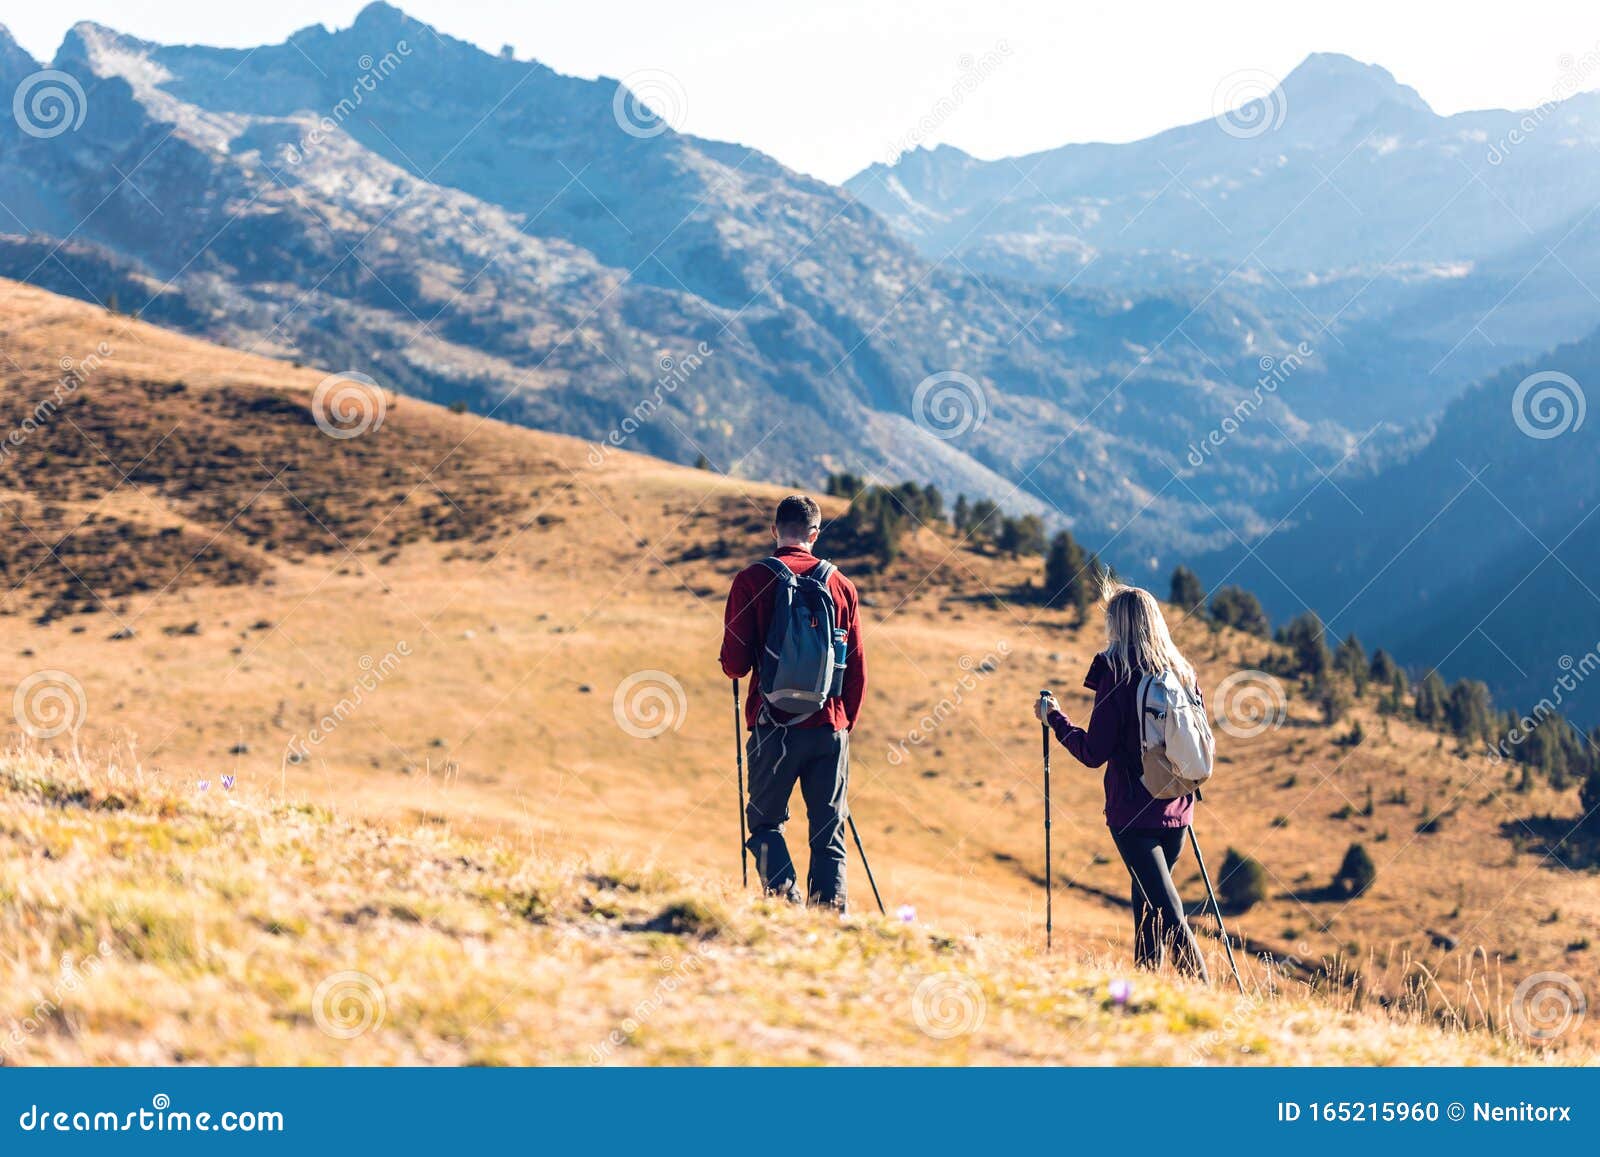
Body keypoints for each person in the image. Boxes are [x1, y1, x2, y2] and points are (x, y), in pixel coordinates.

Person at [1034, 585, 1210, 980]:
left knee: (1167, 911)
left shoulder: (1116, 672)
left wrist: (1055, 719)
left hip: (1133, 812)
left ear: (1117, 624)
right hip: (1178, 809)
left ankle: (1203, 993)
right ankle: (1147, 983)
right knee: (1148, 902)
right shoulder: (1181, 671)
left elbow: (1093, 753)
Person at [720, 495, 867, 910]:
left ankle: (786, 907)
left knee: (765, 823)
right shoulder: (841, 586)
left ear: (774, 531)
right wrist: (841, 725)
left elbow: (734, 664)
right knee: (828, 835)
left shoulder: (752, 580)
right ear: (815, 535)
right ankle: (828, 920)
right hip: (829, 727)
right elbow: (856, 668)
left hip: (773, 727)